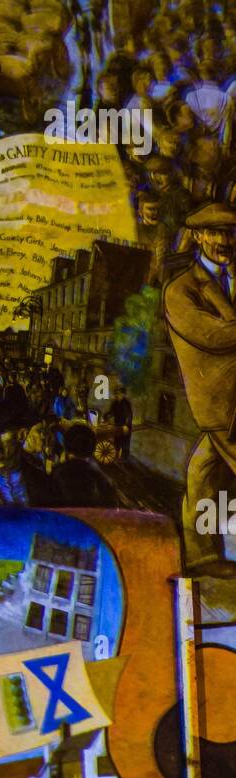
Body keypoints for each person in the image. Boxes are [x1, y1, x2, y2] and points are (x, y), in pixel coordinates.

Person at [163, 202, 236, 577]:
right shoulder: (181, 290)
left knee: (202, 473)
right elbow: (211, 335)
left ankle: (203, 555)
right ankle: (203, 556)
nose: (224, 240)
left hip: (227, 411)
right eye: (215, 232)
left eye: (230, 232)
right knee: (204, 474)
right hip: (221, 404)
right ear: (197, 236)